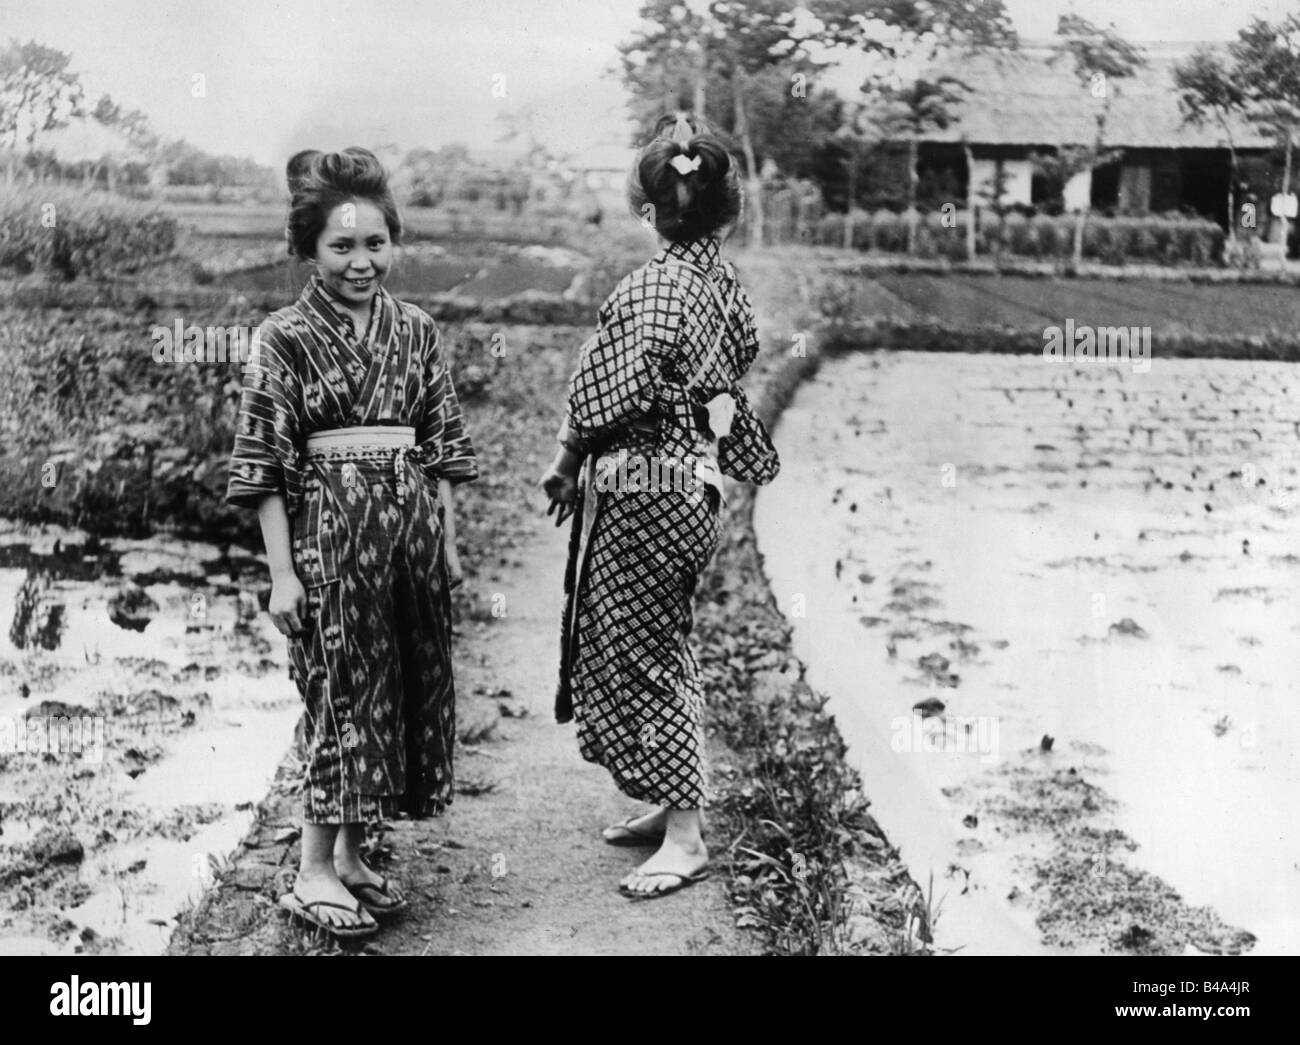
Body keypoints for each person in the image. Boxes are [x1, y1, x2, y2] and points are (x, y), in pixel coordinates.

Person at [227, 147, 477, 939]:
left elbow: (443, 447)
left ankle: (357, 856)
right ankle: (310, 871)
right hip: (328, 537)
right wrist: (282, 574)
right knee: (338, 694)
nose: (361, 261)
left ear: (393, 242)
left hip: (409, 534)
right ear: (310, 250)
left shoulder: (418, 331)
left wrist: (448, 542)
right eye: (342, 246)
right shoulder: (285, 336)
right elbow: (262, 462)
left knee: (400, 685)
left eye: (375, 243)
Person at [540, 113, 780, 899]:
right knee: (659, 635)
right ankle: (668, 800)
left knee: (643, 648)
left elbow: (604, 388)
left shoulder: (650, 286)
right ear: (728, 210)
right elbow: (729, 366)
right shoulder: (723, 283)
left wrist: (570, 457)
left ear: (648, 211)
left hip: (643, 482)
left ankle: (685, 830)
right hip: (693, 481)